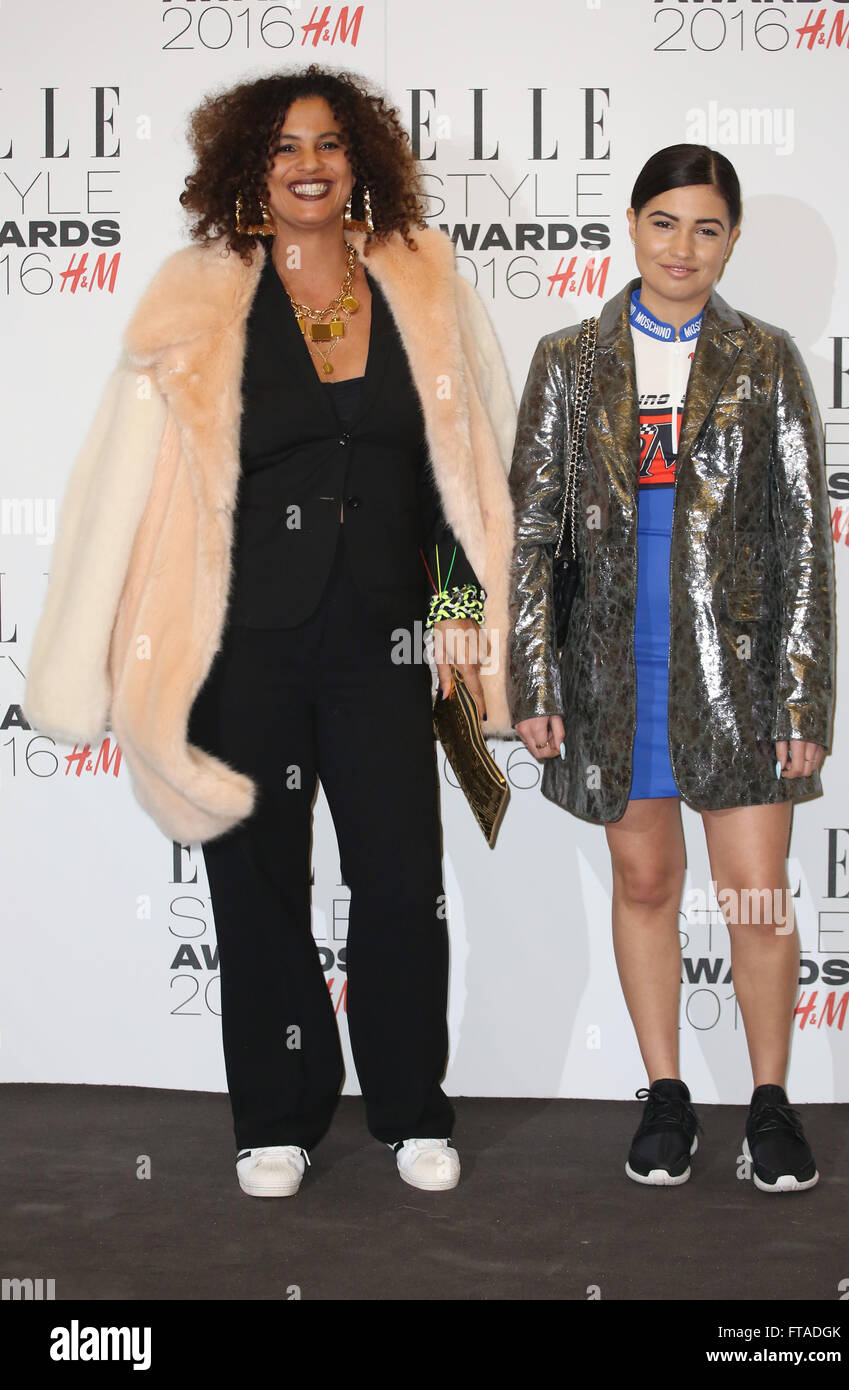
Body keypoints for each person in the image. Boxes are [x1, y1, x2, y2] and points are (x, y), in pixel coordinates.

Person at [23, 66, 516, 1198]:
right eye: (286, 146)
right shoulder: (197, 295)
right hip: (243, 641)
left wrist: (456, 608)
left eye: (332, 143)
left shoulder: (425, 282)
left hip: (388, 644)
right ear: (250, 169)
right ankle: (276, 1117)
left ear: (362, 162)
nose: (310, 163)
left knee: (401, 880)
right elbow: (128, 484)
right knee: (259, 885)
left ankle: (409, 1106)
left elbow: (467, 469)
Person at [508, 144, 835, 1193]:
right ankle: (665, 1096)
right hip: (611, 671)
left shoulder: (768, 358)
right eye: (664, 221)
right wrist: (534, 681)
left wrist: (800, 694)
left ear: (732, 238)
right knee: (645, 881)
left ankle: (772, 1105)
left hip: (734, 678)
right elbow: (533, 535)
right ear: (633, 226)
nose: (682, 246)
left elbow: (800, 544)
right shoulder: (567, 358)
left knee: (754, 896)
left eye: (706, 227)